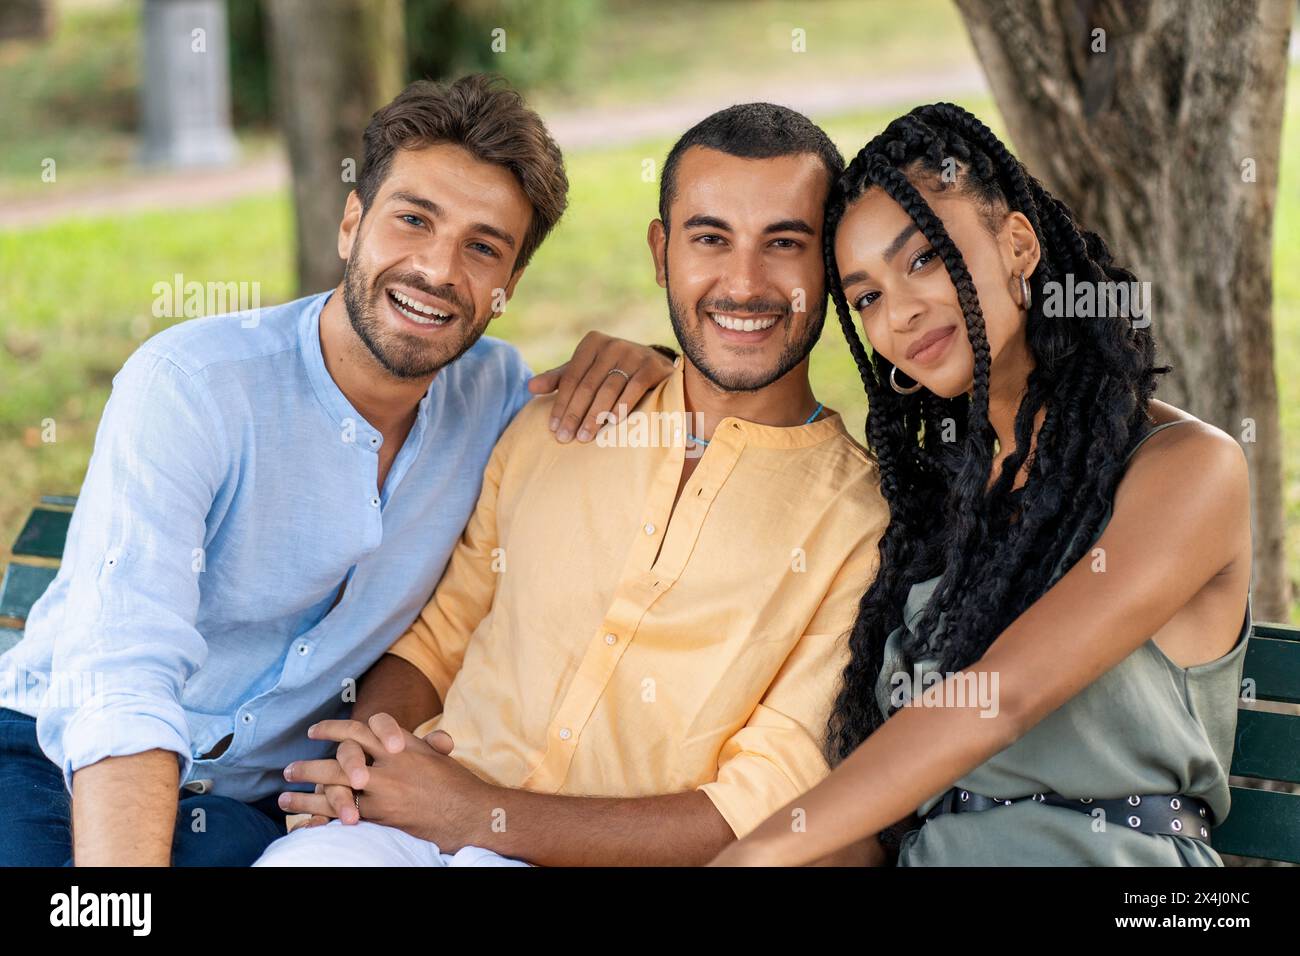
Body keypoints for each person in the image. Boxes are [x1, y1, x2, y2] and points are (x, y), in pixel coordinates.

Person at [0, 73, 676, 867]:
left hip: (258, 807)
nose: (436, 268)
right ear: (351, 223)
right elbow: (122, 675)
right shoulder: (192, 386)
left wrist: (654, 359)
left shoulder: (497, 396)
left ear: (508, 287)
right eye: (413, 220)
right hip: (60, 762)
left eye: (482, 248)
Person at [252, 102, 890, 867]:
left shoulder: (863, 522)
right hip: (403, 835)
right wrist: (373, 761)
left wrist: (478, 816)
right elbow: (438, 639)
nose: (743, 283)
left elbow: (758, 807)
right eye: (709, 239)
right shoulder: (556, 422)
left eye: (784, 243)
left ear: (829, 260)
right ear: (661, 253)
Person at [709, 103, 1252, 867]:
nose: (899, 311)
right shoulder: (932, 512)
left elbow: (1001, 700)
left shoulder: (1187, 468)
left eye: (925, 257)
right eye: (865, 297)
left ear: (1019, 243)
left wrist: (751, 856)